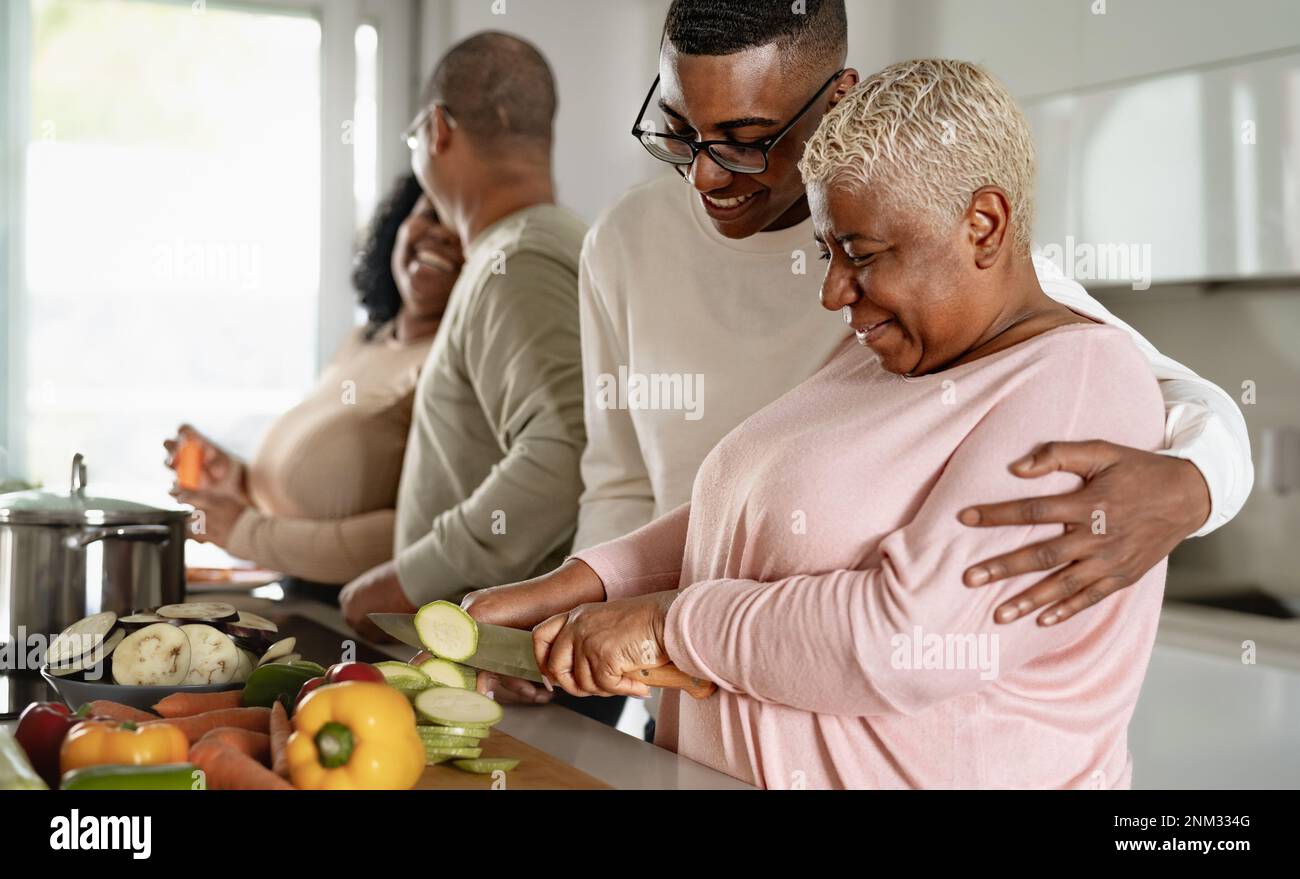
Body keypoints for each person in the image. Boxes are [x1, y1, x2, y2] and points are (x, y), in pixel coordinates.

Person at [462, 1, 1252, 717]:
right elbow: (623, 481)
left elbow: (1164, 392)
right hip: (670, 685)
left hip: (770, 672)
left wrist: (1195, 485)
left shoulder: (952, 278)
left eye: (744, 141)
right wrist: (572, 622)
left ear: (839, 99)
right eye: (681, 131)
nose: (705, 174)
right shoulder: (624, 244)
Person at [524, 58, 1170, 789]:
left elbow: (907, 639)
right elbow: (744, 513)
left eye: (860, 255)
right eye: (826, 252)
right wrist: (584, 585)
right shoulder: (881, 355)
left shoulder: (1079, 384)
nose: (833, 292)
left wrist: (663, 625)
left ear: (983, 226)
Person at [337, 33, 590, 658]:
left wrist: (410, 581)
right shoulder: (548, 244)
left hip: (499, 665)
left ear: (438, 130)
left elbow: (563, 452)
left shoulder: (518, 260)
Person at [165, 174, 461, 585]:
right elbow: (313, 500)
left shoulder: (450, 364)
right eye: (430, 214)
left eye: (462, 227)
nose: (443, 236)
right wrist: (237, 484)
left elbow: (418, 538)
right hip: (295, 593)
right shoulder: (364, 341)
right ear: (397, 228)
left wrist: (244, 531)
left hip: (356, 616)